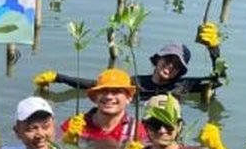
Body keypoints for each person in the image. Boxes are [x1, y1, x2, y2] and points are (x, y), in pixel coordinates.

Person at [34, 32, 224, 99]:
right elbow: (95, 86)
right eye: (167, 60)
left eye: (176, 66)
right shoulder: (136, 82)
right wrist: (58, 77)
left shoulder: (183, 86)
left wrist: (214, 50)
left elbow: (218, 80)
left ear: (180, 71)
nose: (170, 67)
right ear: (157, 60)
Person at [57, 68, 147, 143]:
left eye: (116, 91)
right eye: (104, 91)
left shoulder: (136, 131)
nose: (109, 97)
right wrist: (66, 140)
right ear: (95, 97)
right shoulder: (75, 124)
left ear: (129, 98)